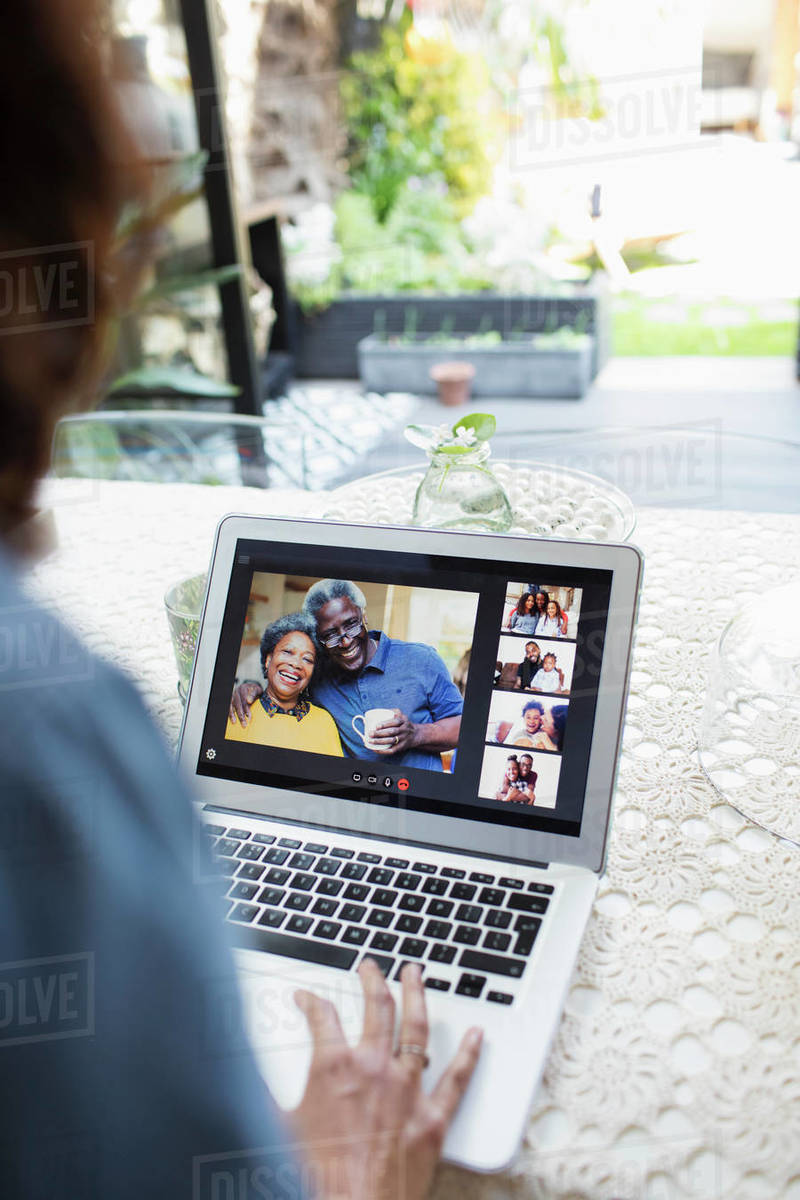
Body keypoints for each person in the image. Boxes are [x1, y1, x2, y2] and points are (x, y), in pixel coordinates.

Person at [0, 5, 481, 1197]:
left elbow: (470, 732)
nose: (335, 637)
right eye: (316, 631)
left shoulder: (413, 675)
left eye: (344, 623)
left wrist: (417, 733)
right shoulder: (59, 735)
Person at [230, 579, 463, 771]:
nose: (345, 641)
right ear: (320, 641)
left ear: (364, 616)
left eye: (352, 624)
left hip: (418, 798)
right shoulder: (319, 675)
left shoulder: (422, 659)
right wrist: (250, 690)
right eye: (330, 635)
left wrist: (416, 734)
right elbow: (287, 684)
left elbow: (464, 727)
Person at [225, 614, 343, 755]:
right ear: (268, 660)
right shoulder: (237, 711)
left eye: (307, 659)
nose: (296, 664)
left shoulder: (324, 723)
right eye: (287, 652)